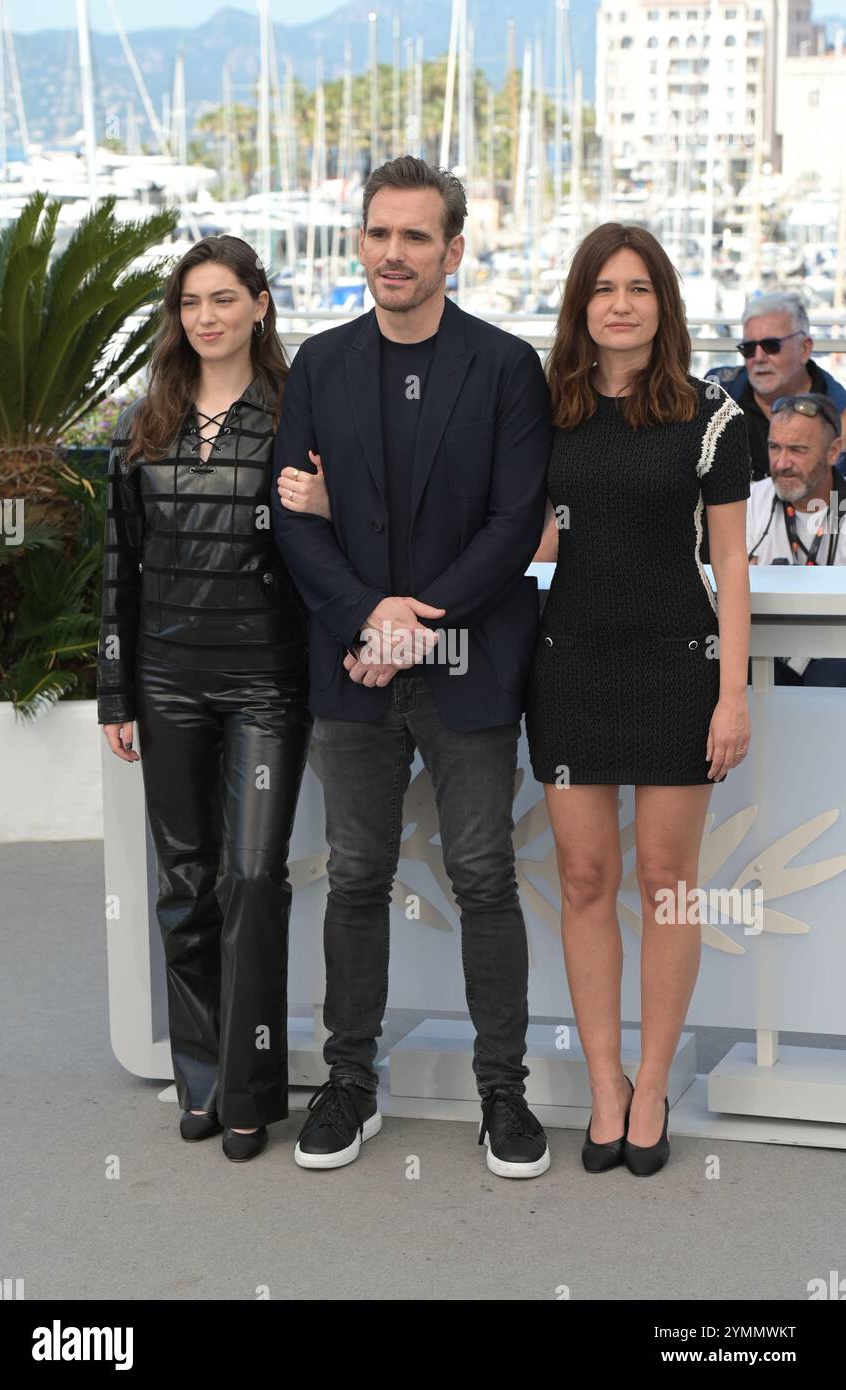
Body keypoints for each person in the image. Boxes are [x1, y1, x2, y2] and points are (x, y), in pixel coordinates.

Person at [270, 156, 554, 1178]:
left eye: (416, 237)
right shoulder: (319, 365)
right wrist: (367, 618)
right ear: (360, 240)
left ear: (454, 249)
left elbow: (512, 522)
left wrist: (414, 620)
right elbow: (291, 516)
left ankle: (503, 1095)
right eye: (380, 233)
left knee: (484, 874)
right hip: (352, 661)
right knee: (357, 875)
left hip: (468, 662)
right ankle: (350, 1083)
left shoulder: (505, 368)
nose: (395, 253)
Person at [525, 223, 752, 1177]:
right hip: (569, 665)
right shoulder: (544, 414)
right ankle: (605, 1085)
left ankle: (655, 1083)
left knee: (668, 881)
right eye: (603, 288)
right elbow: (531, 541)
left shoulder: (714, 417)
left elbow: (732, 564)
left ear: (665, 303)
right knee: (584, 880)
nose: (621, 303)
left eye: (640, 287)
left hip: (677, 667)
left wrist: (730, 696)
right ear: (581, 306)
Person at [97, 235, 313, 1162]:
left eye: (225, 299)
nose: (207, 318)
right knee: (183, 886)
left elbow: (337, 553)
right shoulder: (143, 425)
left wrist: (332, 503)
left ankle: (254, 1083)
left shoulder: (303, 417)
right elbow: (119, 571)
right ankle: (204, 1080)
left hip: (268, 680)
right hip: (167, 679)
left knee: (253, 880)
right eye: (191, 303)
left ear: (260, 306)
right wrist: (116, 694)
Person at [747, 392, 846, 687]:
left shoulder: (838, 504)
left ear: (833, 451)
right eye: (774, 447)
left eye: (798, 450)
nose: (781, 463)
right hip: (761, 654)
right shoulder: (749, 502)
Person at [705, 291, 846, 482]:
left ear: (804, 349)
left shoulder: (839, 416)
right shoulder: (719, 392)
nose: (759, 358)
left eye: (771, 346)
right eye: (749, 348)